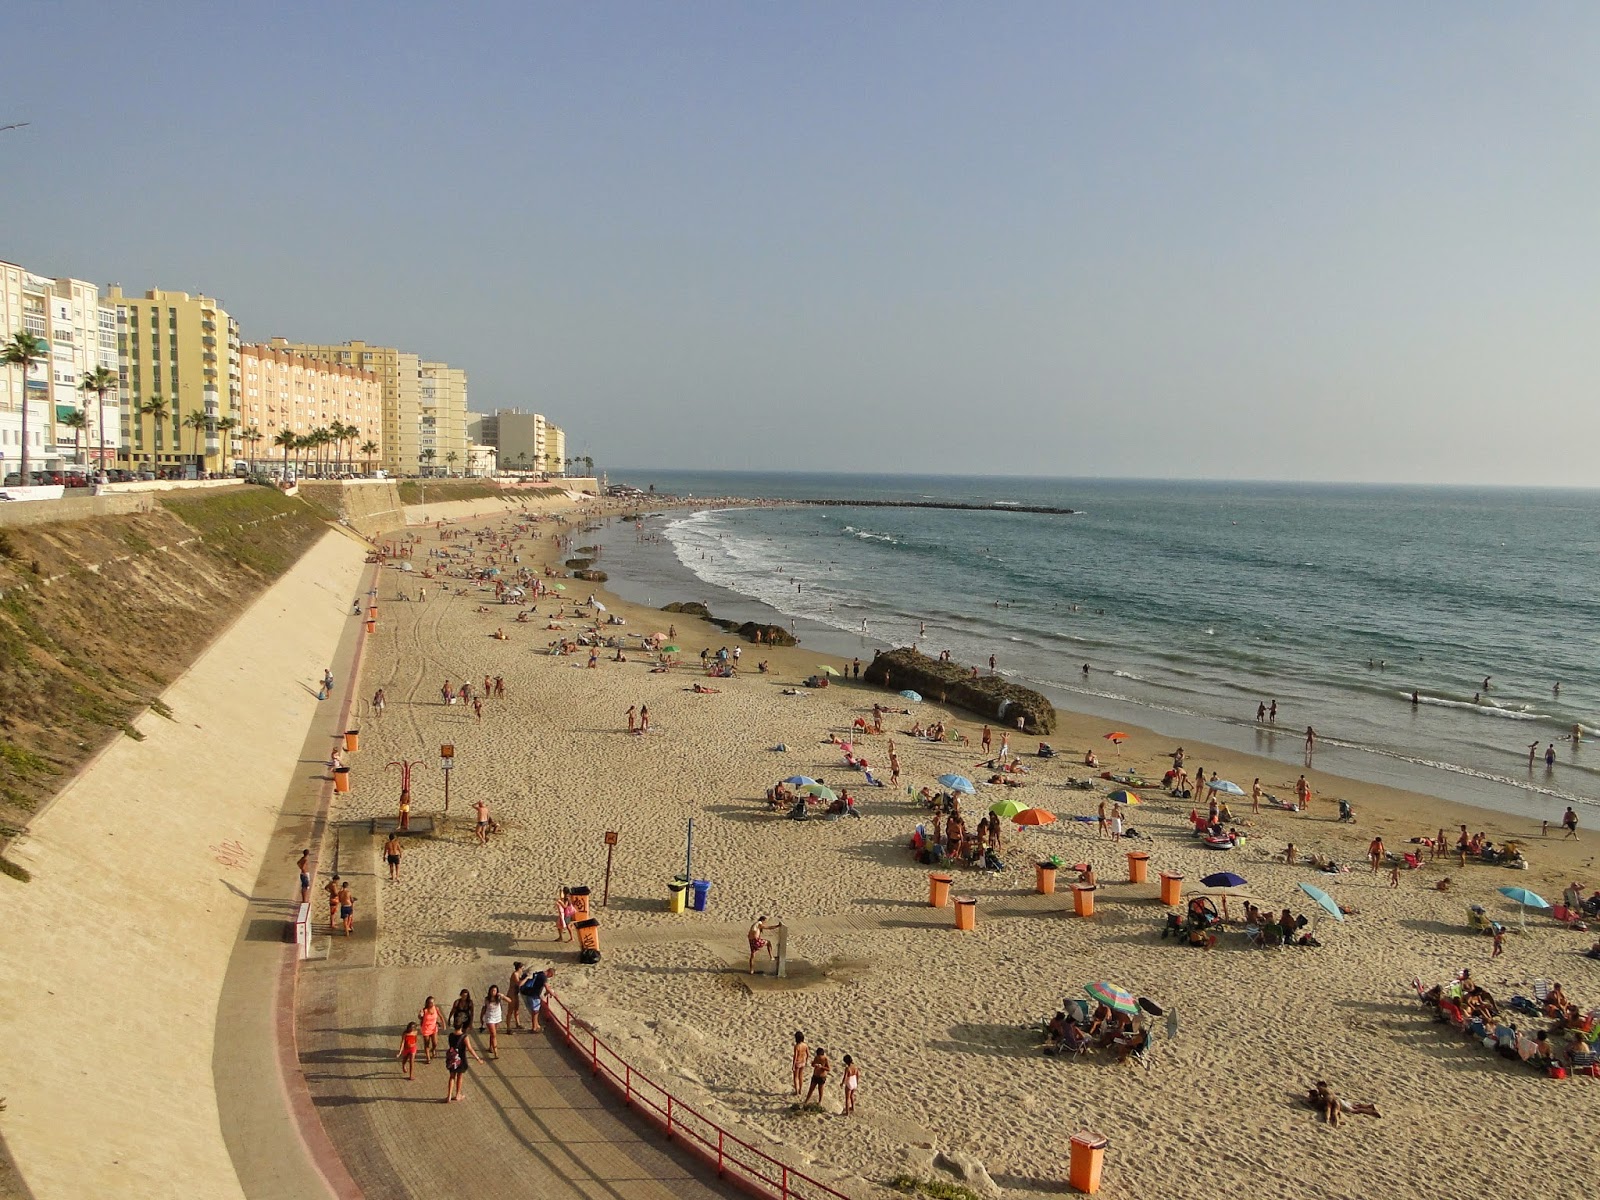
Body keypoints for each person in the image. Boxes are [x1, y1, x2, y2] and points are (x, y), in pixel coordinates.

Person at [443, 1026, 485, 1103]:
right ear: (461, 1027)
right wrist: (478, 1058)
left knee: (452, 1076)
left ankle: (449, 1096)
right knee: (460, 1076)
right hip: (461, 1059)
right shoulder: (464, 1037)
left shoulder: (451, 1035)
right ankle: (457, 1094)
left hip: (452, 1059)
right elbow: (470, 1049)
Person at [1308, 1080, 1379, 1125]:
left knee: (1354, 1110)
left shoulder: (1322, 1089)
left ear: (1321, 1085)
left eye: (1317, 1085)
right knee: (1354, 1106)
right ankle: (1369, 1106)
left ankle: (1371, 1112)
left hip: (1333, 1101)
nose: (1317, 1087)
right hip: (1337, 1100)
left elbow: (1319, 1096)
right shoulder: (1328, 1091)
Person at [519, 965, 553, 1032]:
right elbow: (546, 987)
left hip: (530, 993)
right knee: (535, 1011)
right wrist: (553, 993)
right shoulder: (544, 977)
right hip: (534, 995)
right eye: (550, 976)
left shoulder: (539, 973)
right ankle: (534, 1028)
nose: (549, 977)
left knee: (535, 1012)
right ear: (550, 973)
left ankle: (537, 1025)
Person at [480, 985, 505, 1058]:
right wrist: (481, 1017)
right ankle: (496, 1052)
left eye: (494, 991)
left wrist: (503, 996)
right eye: (492, 990)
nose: (493, 992)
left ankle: (491, 1047)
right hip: (489, 1018)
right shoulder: (487, 999)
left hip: (497, 1017)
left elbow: (509, 1000)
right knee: (494, 1034)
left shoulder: (499, 998)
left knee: (492, 1034)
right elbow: (484, 1008)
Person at [419, 996, 444, 1063]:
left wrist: (443, 1024)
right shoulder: (425, 1010)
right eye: (430, 1003)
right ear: (427, 1003)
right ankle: (428, 1058)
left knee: (435, 1043)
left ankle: (433, 1049)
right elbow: (420, 1017)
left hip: (434, 1028)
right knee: (427, 1044)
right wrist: (420, 1015)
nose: (432, 1004)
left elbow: (441, 1016)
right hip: (426, 1029)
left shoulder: (436, 1008)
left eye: (433, 1002)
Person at [791, 1030, 809, 1096]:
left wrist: (793, 1065)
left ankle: (796, 1092)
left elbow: (795, 1056)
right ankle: (800, 1090)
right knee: (801, 1076)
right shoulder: (805, 1045)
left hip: (798, 1062)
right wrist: (806, 1061)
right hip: (803, 1061)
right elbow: (808, 1054)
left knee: (795, 1077)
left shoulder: (797, 1046)